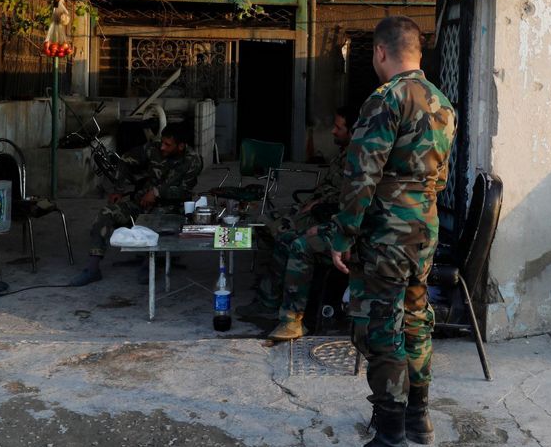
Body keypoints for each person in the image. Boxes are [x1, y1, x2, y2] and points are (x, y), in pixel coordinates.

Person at [323, 16, 456, 447]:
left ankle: (389, 444)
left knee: (381, 327)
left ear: (381, 53)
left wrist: (342, 234)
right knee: (416, 318)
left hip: (387, 232)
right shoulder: (442, 103)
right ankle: (417, 419)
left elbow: (362, 175)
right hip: (425, 228)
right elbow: (437, 177)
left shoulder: (385, 99)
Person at [234, 105, 356, 329]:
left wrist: (320, 205)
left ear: (352, 131)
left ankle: (273, 303)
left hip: (330, 217)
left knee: (285, 237)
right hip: (319, 209)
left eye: (338, 128)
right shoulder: (344, 154)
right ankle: (270, 291)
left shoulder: (358, 160)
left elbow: (347, 199)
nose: (332, 132)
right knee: (267, 224)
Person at [72, 122, 203, 286]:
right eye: (162, 142)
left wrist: (157, 193)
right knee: (105, 214)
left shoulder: (193, 161)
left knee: (155, 220)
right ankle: (93, 268)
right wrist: (118, 189)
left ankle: (149, 265)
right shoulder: (153, 149)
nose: (162, 147)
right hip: (141, 203)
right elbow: (124, 160)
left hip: (169, 210)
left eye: (168, 145)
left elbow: (185, 192)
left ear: (181, 146)